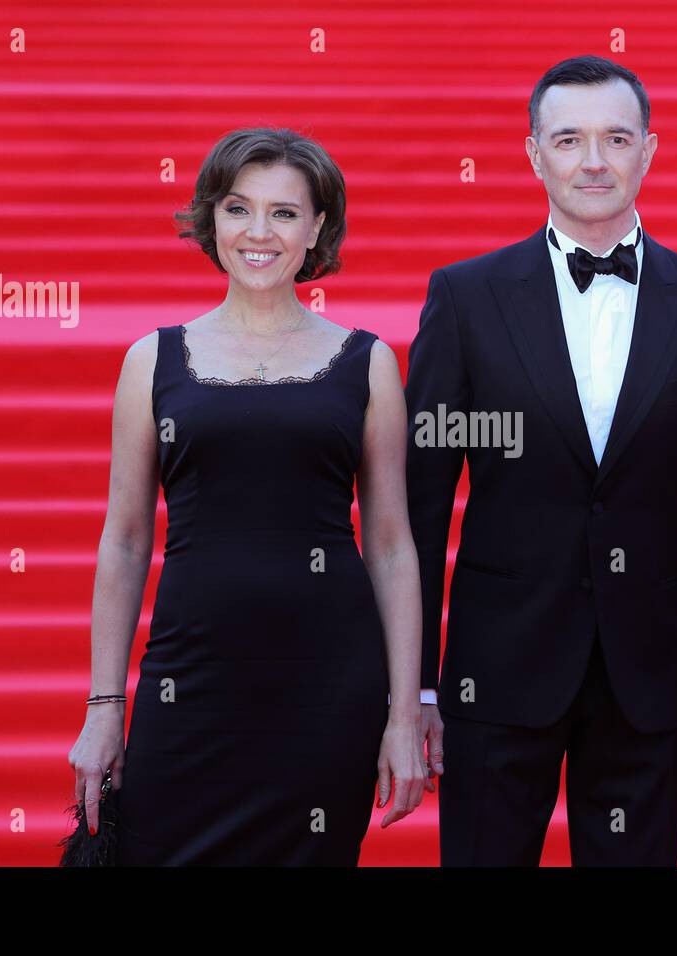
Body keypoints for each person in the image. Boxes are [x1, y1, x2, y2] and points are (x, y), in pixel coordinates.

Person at [406, 56, 677, 866]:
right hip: (492, 677)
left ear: (649, 150)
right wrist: (416, 688)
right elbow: (420, 506)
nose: (593, 160)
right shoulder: (466, 297)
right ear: (535, 153)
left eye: (616, 138)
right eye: (569, 139)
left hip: (644, 676)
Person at [67, 127, 426, 865]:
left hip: (329, 688)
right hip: (189, 681)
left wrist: (402, 713)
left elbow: (391, 544)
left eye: (285, 213)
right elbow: (127, 539)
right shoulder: (153, 359)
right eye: (238, 209)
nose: (259, 233)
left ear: (318, 227)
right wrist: (105, 708)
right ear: (212, 220)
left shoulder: (368, 363)